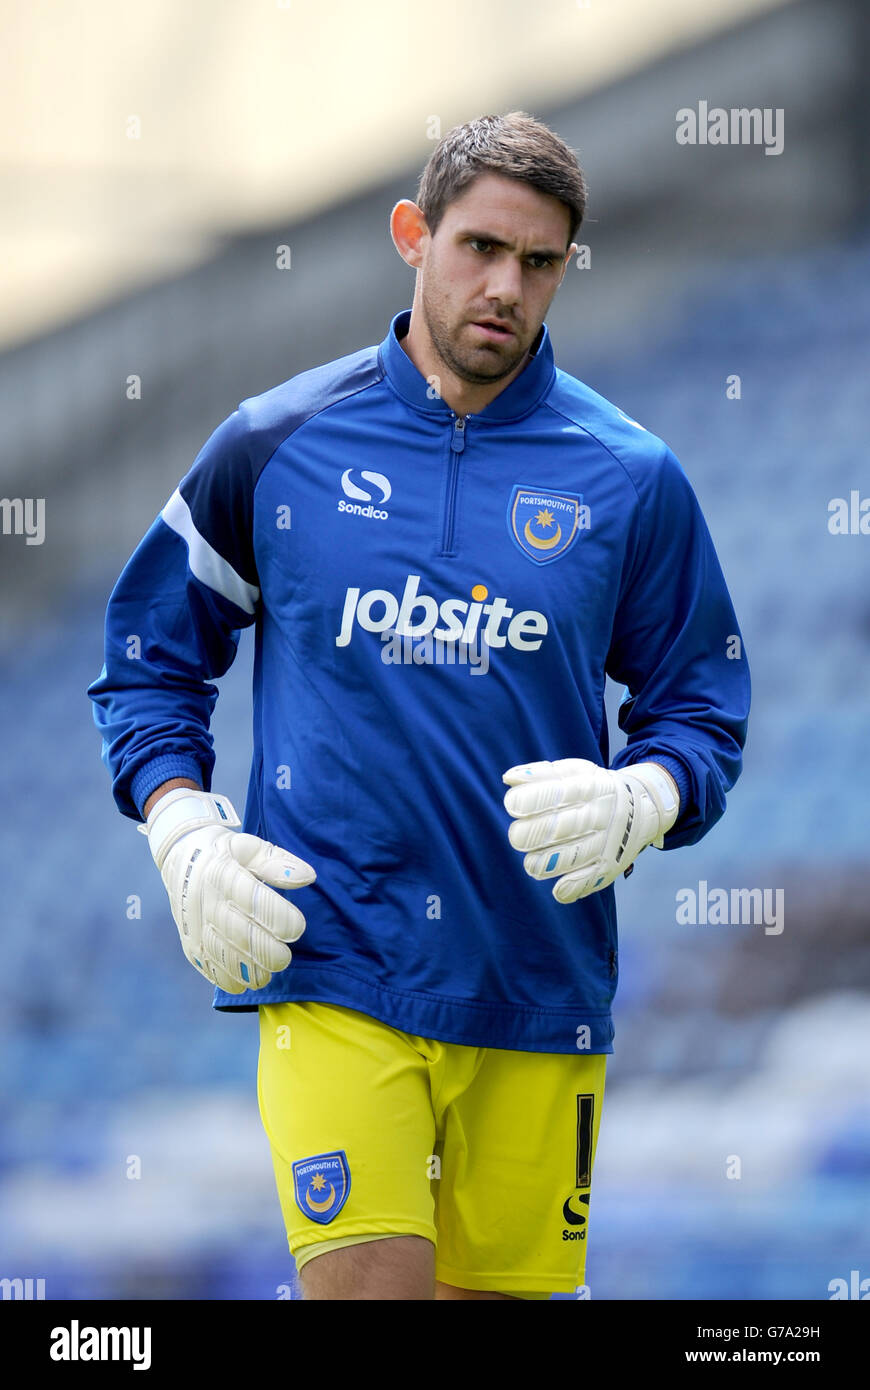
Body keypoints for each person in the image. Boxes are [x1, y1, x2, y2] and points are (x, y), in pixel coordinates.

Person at [88, 111, 750, 1301]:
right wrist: (183, 832)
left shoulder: (631, 476)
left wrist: (644, 796)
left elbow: (701, 704)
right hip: (335, 960)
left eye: (538, 262)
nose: (505, 285)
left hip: (538, 980)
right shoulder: (274, 444)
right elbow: (148, 659)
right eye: (479, 248)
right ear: (414, 235)